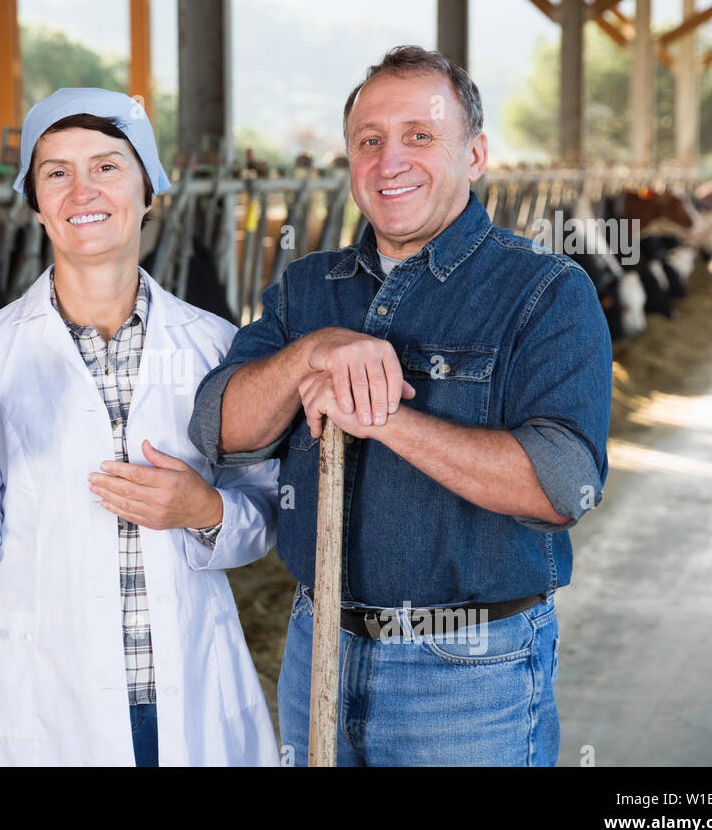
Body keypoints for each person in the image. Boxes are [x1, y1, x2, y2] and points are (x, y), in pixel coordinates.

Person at [188, 46, 612, 766]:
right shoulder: (305, 291)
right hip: (315, 648)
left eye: (421, 135)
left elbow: (560, 485)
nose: (391, 161)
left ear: (475, 154)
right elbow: (217, 427)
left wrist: (380, 417)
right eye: (370, 141)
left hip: (469, 677)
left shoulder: (545, 291)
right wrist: (312, 352)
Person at [0, 88, 279, 767]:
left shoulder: (217, 346)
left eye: (108, 166)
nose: (83, 189)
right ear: (37, 201)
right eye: (56, 172)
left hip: (181, 691)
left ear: (147, 190)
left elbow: (264, 513)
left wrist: (206, 510)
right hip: (43, 704)